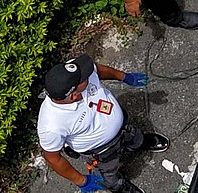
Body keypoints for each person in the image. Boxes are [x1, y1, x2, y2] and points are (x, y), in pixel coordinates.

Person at [38, 54, 165, 193]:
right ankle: (119, 186)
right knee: (109, 175)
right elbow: (52, 158)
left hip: (123, 127)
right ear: (73, 94)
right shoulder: (51, 125)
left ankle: (140, 142)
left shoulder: (76, 73)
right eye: (84, 77)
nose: (89, 73)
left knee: (133, 135)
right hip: (101, 151)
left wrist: (123, 77)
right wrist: (81, 181)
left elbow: (97, 69)